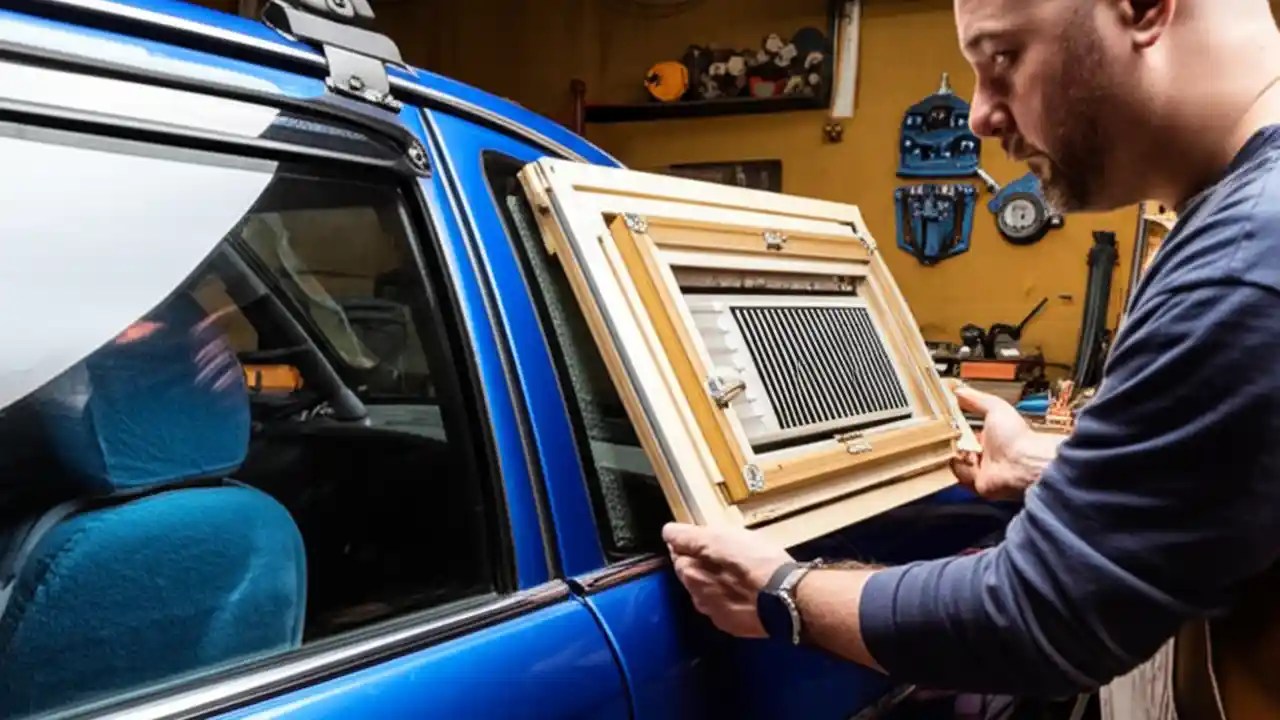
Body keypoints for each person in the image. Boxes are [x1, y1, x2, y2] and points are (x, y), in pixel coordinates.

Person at [661, 1, 1280, 717]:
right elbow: (1232, 480)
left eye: (1002, 59)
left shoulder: (1246, 260)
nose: (981, 116)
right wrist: (1043, 465)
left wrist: (778, 594)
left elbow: (1044, 616)